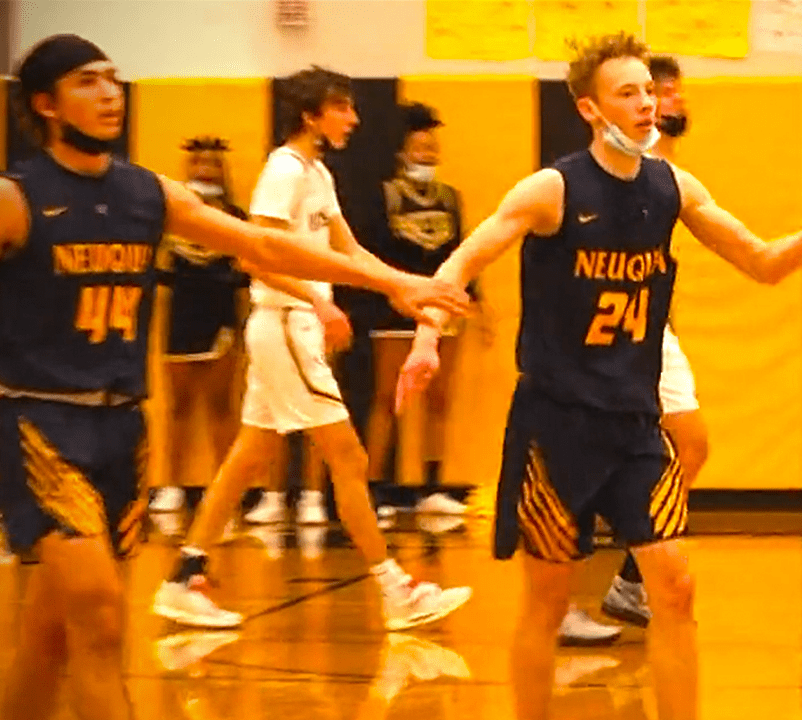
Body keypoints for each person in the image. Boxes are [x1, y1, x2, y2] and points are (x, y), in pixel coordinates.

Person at [395, 31, 802, 720]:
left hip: (633, 424)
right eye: (626, 92)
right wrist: (426, 341)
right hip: (556, 424)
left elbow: (762, 262)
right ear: (590, 110)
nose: (645, 103)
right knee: (546, 602)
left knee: (677, 587)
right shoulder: (553, 190)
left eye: (649, 90)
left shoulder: (672, 187)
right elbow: (456, 266)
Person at [0, 35, 468, 720]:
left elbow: (261, 245)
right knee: (101, 622)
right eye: (84, 82)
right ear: (44, 104)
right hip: (43, 425)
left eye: (112, 79)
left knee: (48, 636)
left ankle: (189, 566)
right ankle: (382, 580)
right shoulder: (18, 199)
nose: (108, 93)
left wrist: (395, 281)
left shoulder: (145, 193)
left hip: (124, 426)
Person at [150, 66, 473, 631]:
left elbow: (349, 254)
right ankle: (396, 590)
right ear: (310, 114)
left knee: (246, 457)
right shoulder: (283, 169)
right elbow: (257, 256)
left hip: (290, 327)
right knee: (347, 457)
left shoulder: (317, 173)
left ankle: (183, 576)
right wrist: (321, 303)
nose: (353, 117)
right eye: (342, 107)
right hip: (285, 324)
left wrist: (407, 288)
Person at [557, 54, 707, 646]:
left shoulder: (667, 172)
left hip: (651, 333)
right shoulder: (591, 175)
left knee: (692, 445)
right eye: (646, 92)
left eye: (662, 91)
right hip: (601, 340)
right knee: (583, 466)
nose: (659, 103)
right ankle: (562, 598)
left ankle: (628, 580)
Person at [363, 102, 489, 522]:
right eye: (420, 148)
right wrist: (391, 292)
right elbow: (374, 252)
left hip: (442, 309)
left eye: (433, 148)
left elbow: (464, 253)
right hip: (397, 308)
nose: (428, 154)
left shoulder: (451, 197)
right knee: (388, 399)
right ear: (403, 153)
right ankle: (374, 488)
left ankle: (433, 486)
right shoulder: (385, 194)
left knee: (439, 400)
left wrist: (477, 301)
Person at [150, 136, 250, 515]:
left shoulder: (235, 216)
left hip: (222, 316)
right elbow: (160, 272)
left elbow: (243, 275)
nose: (205, 170)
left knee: (222, 406)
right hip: (179, 318)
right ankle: (171, 486)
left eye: (212, 164)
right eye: (198, 164)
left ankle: (226, 489)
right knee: (178, 406)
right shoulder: (169, 214)